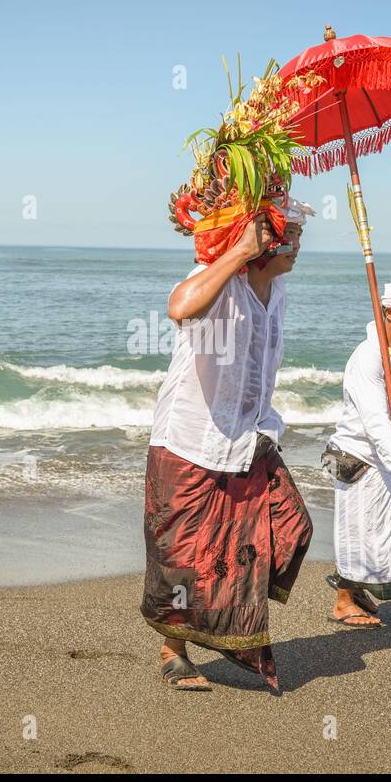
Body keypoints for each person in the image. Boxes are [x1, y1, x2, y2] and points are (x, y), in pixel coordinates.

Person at [141, 197, 315, 693]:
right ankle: (173, 650)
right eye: (291, 236)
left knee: (286, 529)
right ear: (260, 238)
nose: (298, 246)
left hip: (250, 435)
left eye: (300, 236)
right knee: (184, 559)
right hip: (191, 439)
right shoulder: (221, 280)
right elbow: (178, 306)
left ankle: (231, 632)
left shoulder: (277, 290)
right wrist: (236, 252)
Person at [322, 279, 391, 627]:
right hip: (360, 457)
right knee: (359, 531)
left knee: (380, 532)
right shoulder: (369, 357)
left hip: (383, 457)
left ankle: (355, 593)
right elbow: (376, 421)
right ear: (388, 312)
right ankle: (343, 601)